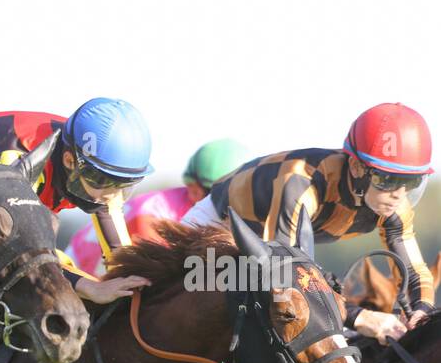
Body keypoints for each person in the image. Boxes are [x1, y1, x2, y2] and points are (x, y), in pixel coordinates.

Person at [183, 103, 435, 344]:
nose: (399, 195)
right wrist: (360, 316)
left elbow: (414, 272)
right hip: (217, 224)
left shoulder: (392, 200)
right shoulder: (301, 185)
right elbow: (285, 278)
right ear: (357, 167)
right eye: (387, 180)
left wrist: (422, 311)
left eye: (411, 182)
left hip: (275, 246)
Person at [0, 98, 157, 303]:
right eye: (102, 180)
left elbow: (120, 256)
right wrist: (87, 285)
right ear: (70, 160)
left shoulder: (92, 166)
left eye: (123, 184)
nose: (111, 195)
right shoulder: (17, 160)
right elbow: (19, 252)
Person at [64, 138, 250, 276]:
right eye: (221, 196)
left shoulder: (195, 205)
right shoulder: (151, 216)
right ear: (194, 189)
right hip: (80, 275)